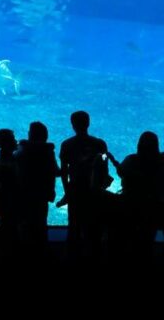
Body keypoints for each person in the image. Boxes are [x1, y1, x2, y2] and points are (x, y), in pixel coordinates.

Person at [58, 111, 111, 260]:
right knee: (95, 227)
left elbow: (63, 171)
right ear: (88, 123)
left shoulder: (67, 144)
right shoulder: (100, 143)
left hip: (75, 191)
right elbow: (105, 160)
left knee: (74, 227)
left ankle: (73, 258)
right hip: (95, 191)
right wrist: (102, 183)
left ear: (72, 125)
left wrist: (67, 191)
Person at [108, 132, 163, 263]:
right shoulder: (161, 161)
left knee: (131, 237)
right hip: (154, 207)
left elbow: (122, 172)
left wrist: (113, 161)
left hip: (131, 205)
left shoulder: (132, 160)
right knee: (148, 237)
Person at [15, 121, 60, 257]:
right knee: (40, 223)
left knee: (24, 224)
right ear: (45, 136)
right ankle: (41, 253)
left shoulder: (21, 150)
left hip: (24, 194)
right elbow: (56, 171)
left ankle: (24, 253)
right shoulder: (48, 152)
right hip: (41, 195)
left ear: (30, 135)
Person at [0, 128, 20, 264]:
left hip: (2, 202)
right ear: (7, 143)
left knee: (3, 231)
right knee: (8, 232)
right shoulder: (7, 162)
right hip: (8, 203)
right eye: (13, 139)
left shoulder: (4, 158)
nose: (16, 140)